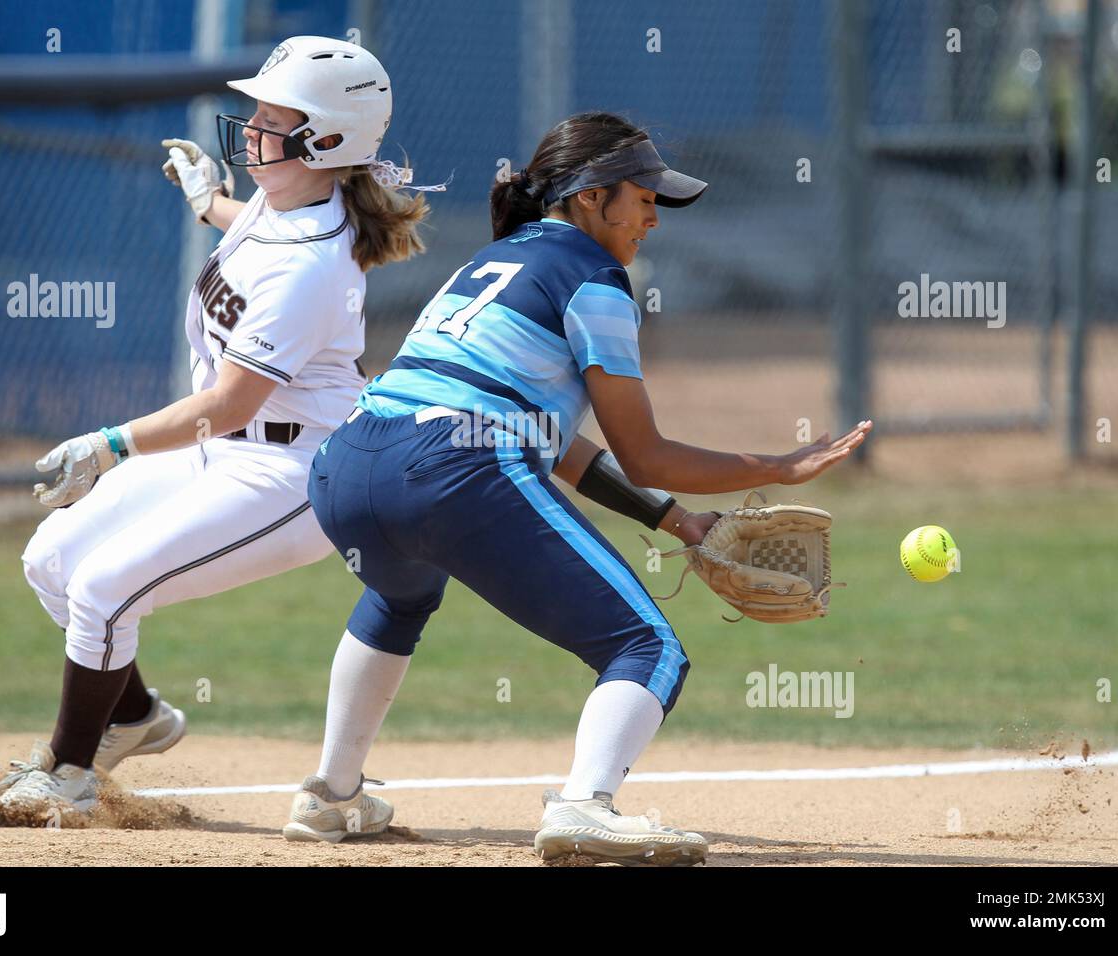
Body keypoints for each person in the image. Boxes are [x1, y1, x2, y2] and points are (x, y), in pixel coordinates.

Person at [284, 111, 872, 864]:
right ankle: (585, 806)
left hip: (348, 467)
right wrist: (774, 466)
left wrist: (677, 523)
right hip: (448, 469)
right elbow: (645, 452)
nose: (655, 217)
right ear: (591, 197)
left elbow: (547, 438)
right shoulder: (595, 278)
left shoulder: (498, 262)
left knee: (399, 597)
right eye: (645, 196)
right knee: (646, 646)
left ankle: (330, 797)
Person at [0, 36, 432, 813]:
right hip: (221, 452)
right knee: (52, 559)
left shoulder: (309, 266)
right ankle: (133, 717)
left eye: (274, 116)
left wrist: (109, 444)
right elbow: (253, 231)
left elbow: (229, 403)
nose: (252, 127)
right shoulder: (283, 200)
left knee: (102, 587)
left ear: (326, 140)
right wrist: (209, 204)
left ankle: (66, 775)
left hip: (295, 475)